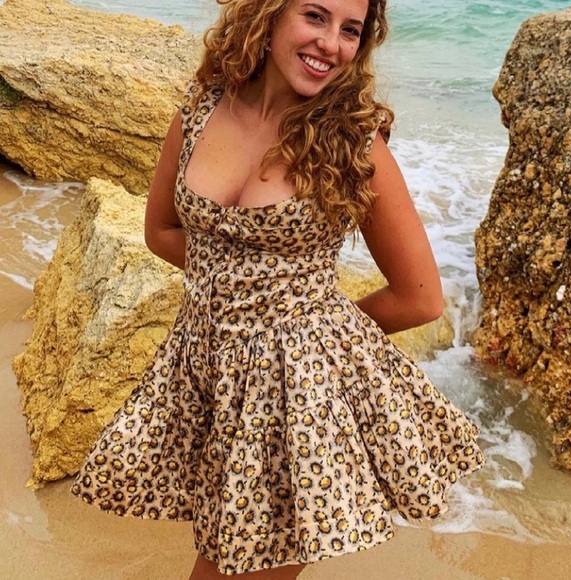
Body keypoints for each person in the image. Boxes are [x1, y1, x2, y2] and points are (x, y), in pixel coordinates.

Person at [71, 0, 484, 578]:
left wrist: (311, 337)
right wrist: (237, 292)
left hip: (297, 400)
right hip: (204, 372)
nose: (331, 44)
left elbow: (420, 297)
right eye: (315, 16)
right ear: (270, 15)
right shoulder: (201, 109)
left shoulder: (353, 144)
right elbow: (162, 230)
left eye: (350, 30)